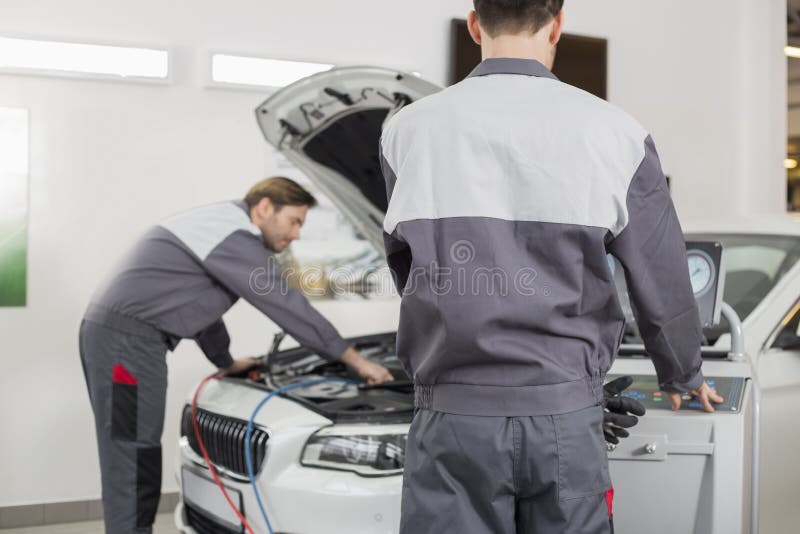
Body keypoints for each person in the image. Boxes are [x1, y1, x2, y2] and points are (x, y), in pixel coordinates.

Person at [378, 1, 722, 532]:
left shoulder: (406, 130)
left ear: (476, 25)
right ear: (557, 25)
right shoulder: (617, 133)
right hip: (567, 419)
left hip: (450, 421)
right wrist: (683, 372)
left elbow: (405, 263)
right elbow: (662, 270)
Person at [79, 176, 393, 533]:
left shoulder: (218, 228)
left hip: (123, 339)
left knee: (135, 452)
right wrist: (355, 360)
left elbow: (201, 312)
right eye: (294, 221)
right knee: (134, 456)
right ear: (263, 208)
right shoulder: (233, 235)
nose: (296, 235)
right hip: (126, 346)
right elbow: (285, 304)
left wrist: (226, 362)